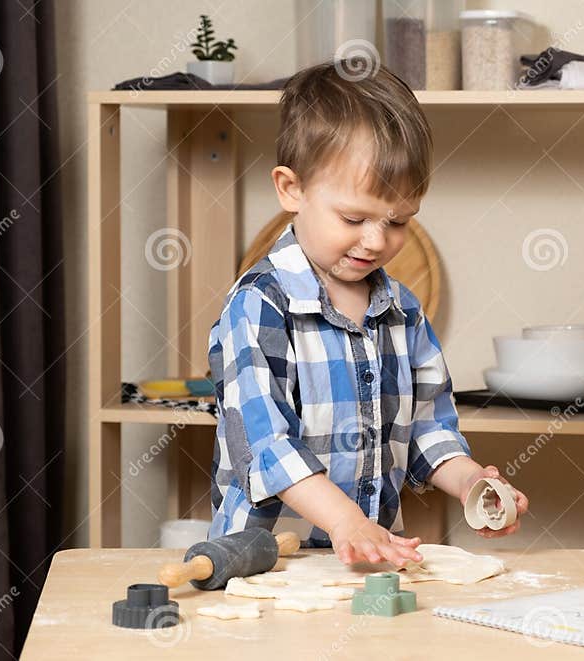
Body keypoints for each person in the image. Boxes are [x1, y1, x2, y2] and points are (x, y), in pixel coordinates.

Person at [206, 60, 529, 567]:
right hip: (270, 567)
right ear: (292, 189)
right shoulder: (259, 305)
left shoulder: (403, 310)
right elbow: (268, 445)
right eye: (353, 218)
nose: (377, 241)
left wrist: (471, 480)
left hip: (370, 562)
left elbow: (428, 426)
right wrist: (345, 521)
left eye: (398, 220)